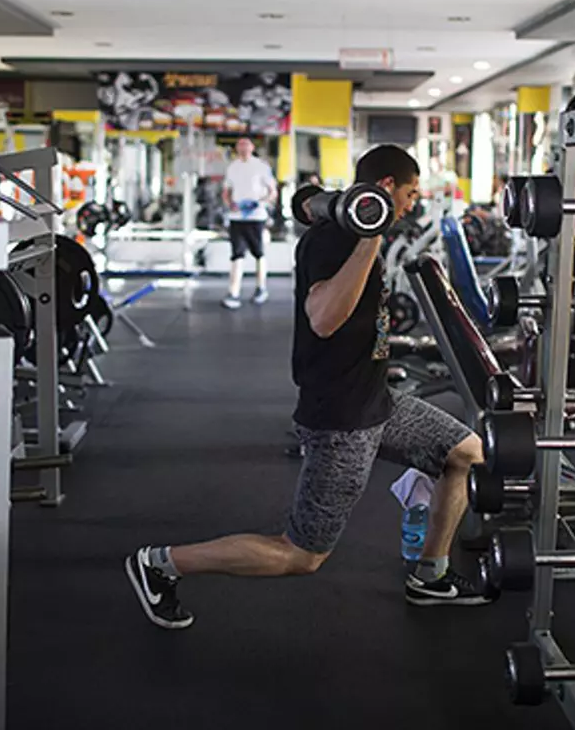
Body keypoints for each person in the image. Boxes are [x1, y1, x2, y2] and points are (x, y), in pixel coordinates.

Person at [125, 145, 490, 630]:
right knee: (300, 555)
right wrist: (369, 240)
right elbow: (322, 318)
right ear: (384, 189)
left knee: (465, 454)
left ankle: (430, 573)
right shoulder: (336, 240)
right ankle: (160, 565)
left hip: (377, 400)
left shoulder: (352, 224)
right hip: (341, 417)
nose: (410, 205)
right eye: (407, 194)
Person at [221, 137, 277, 309]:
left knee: (259, 253)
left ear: (252, 147)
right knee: (237, 255)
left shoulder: (261, 166)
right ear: (237, 148)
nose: (243, 148)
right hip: (237, 218)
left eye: (246, 145)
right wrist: (230, 205)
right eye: (240, 145)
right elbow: (226, 191)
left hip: (256, 217)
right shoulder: (232, 167)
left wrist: (260, 203)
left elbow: (273, 192)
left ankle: (261, 288)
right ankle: (234, 292)